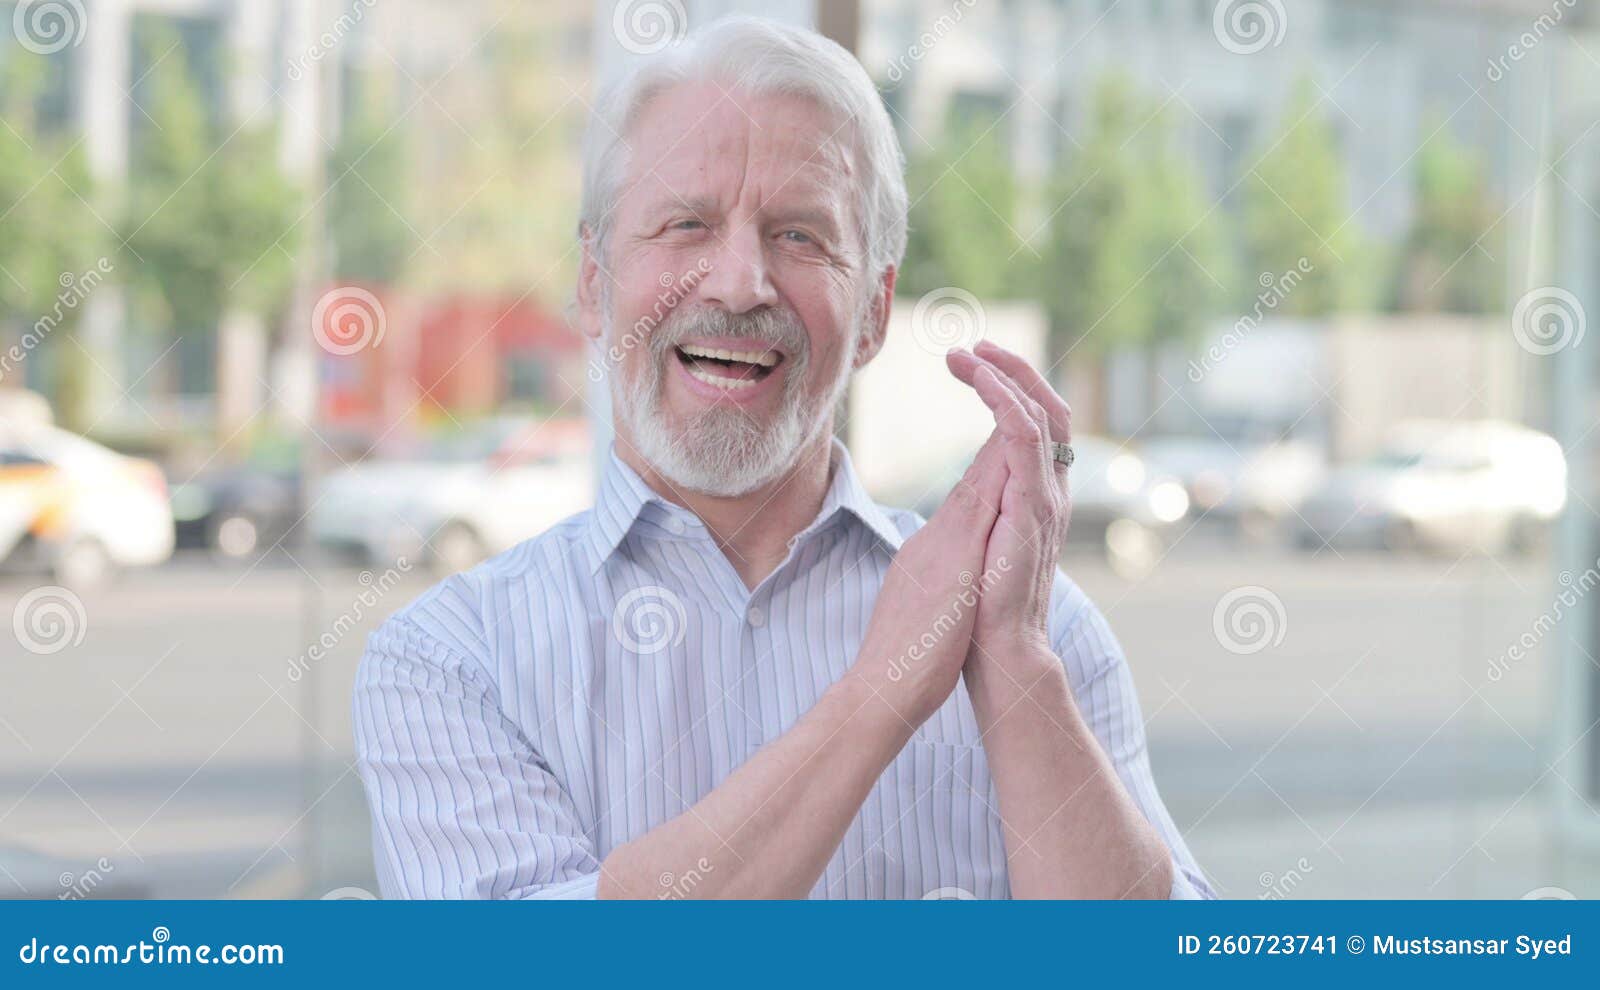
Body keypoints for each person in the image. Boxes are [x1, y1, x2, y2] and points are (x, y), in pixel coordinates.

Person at [353, 15, 1211, 900]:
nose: (739, 284)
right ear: (594, 283)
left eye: (800, 236)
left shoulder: (1040, 630)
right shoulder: (454, 660)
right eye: (686, 224)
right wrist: (880, 693)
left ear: (874, 311)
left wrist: (1015, 666)